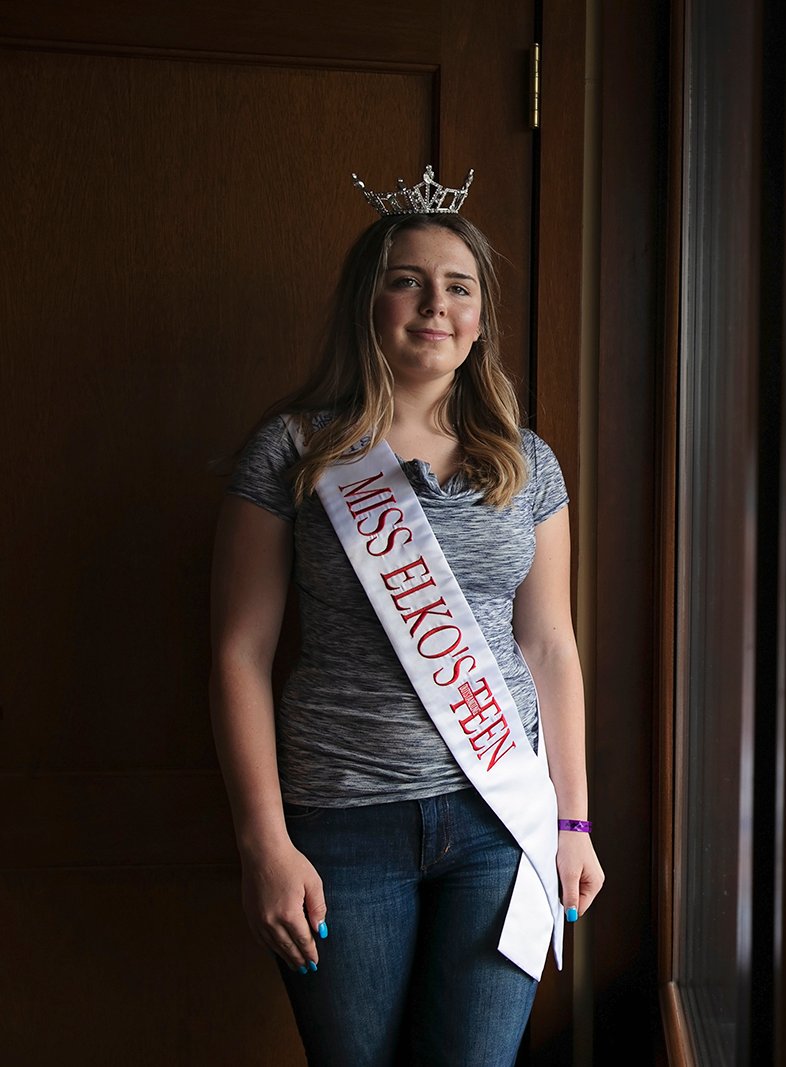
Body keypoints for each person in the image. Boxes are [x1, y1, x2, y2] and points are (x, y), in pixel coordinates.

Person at [210, 168, 602, 1065]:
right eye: (408, 280)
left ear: (480, 314)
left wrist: (573, 823)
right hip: (341, 824)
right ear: (369, 301)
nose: (436, 304)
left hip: (502, 819)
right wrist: (262, 841)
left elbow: (549, 645)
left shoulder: (527, 464)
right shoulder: (295, 450)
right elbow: (241, 651)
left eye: (458, 287)